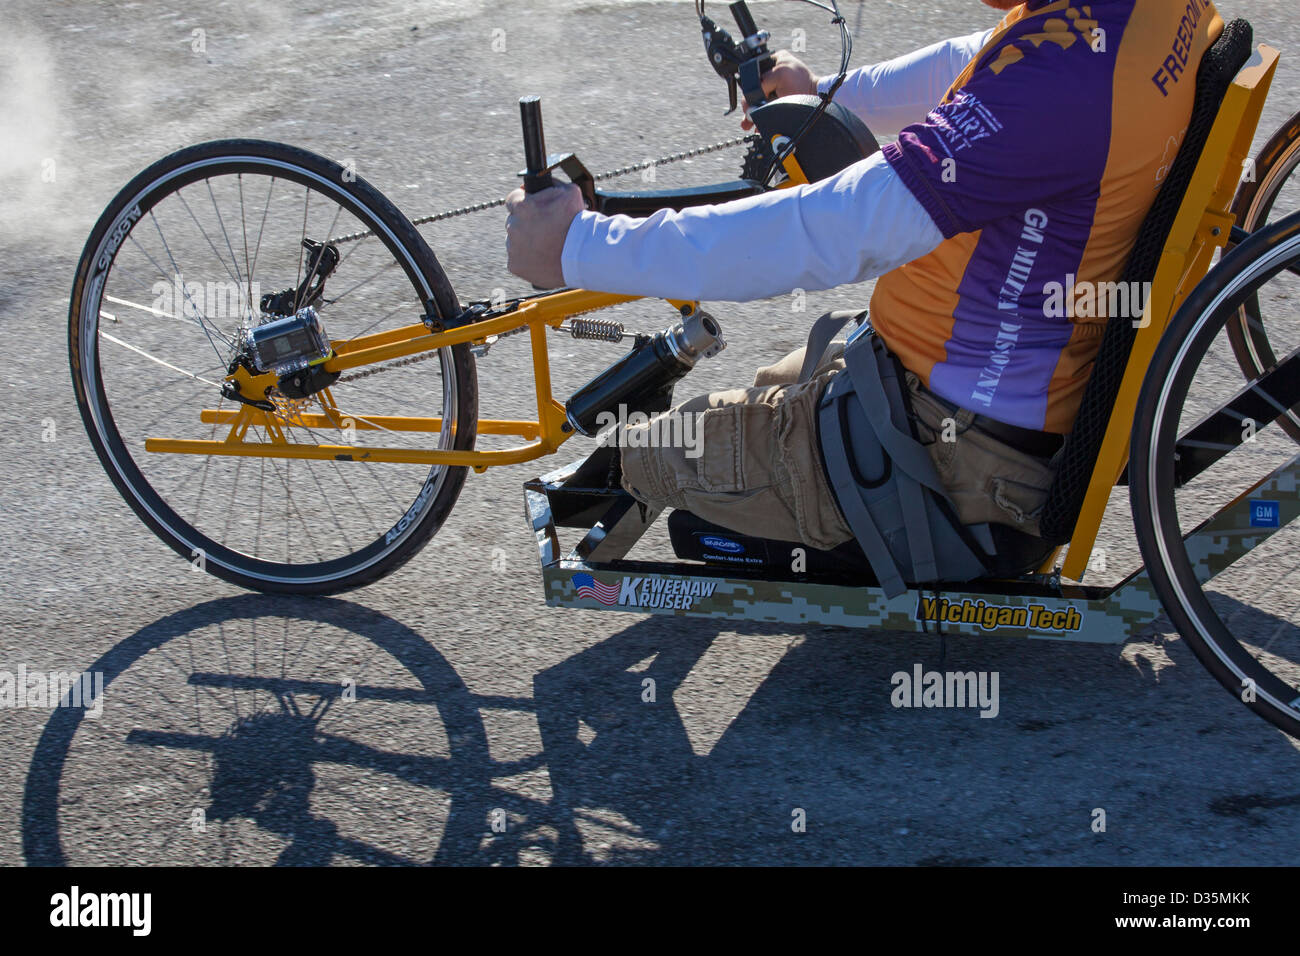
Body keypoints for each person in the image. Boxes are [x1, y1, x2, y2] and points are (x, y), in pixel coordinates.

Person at [504, 0, 1224, 587]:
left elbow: (833, 229)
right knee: (761, 386)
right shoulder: (1139, 20)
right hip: (942, 397)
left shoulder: (1060, 91)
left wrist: (578, 249)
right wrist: (824, 98)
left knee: (648, 455)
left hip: (949, 467)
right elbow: (977, 59)